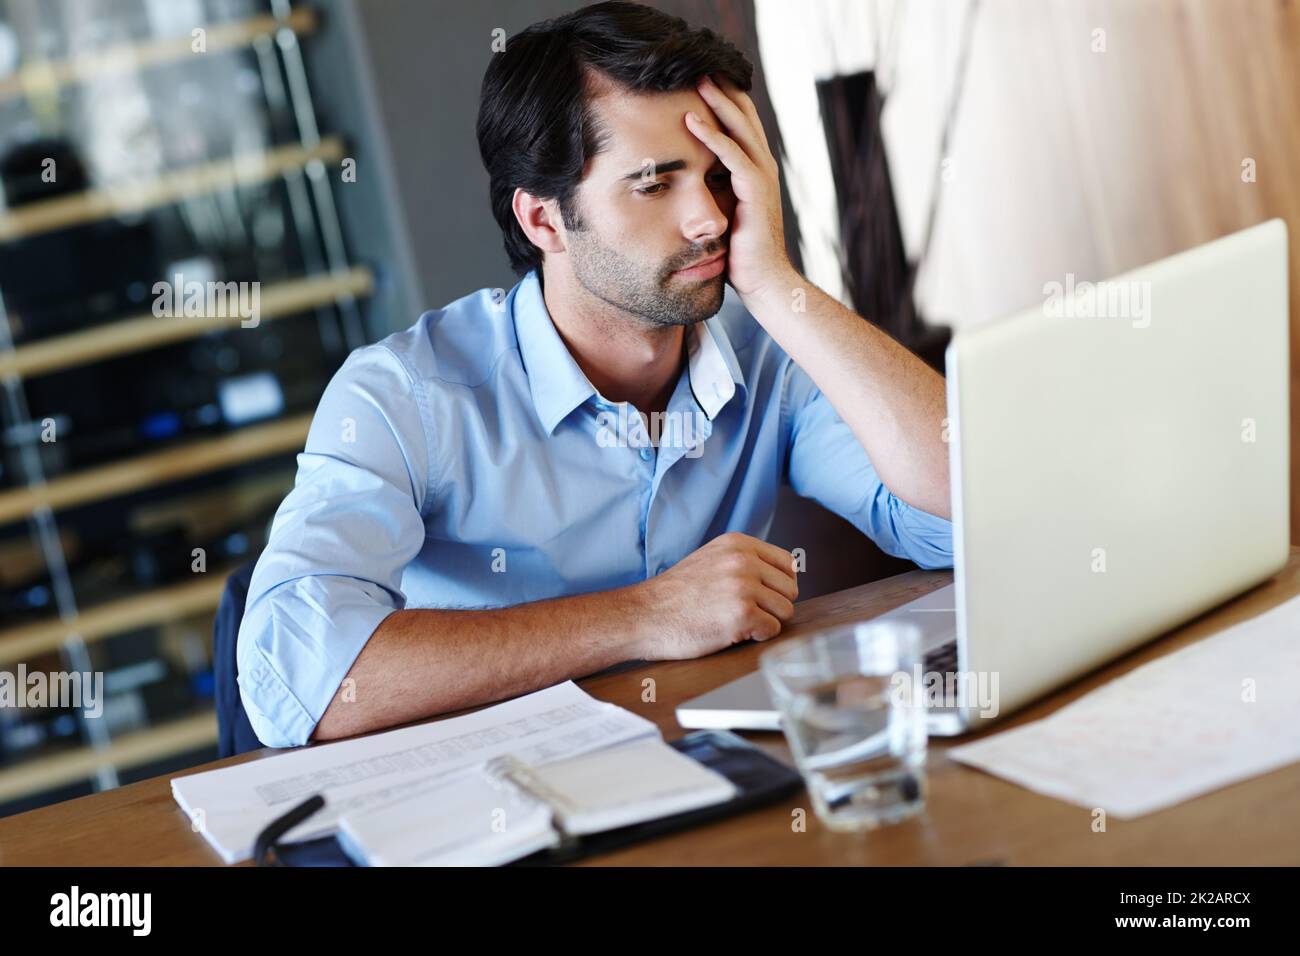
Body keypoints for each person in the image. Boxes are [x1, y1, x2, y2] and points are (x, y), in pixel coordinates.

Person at [237, 1, 952, 749]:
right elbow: (297, 679)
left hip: (721, 771)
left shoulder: (767, 344)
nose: (710, 219)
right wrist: (647, 614)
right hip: (501, 792)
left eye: (719, 177)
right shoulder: (403, 396)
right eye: (654, 184)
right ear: (544, 221)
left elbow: (964, 516)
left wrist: (776, 284)